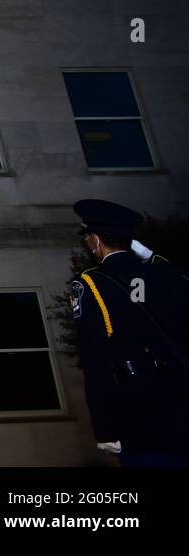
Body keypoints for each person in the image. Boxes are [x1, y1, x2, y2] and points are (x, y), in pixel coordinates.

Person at [70, 199, 189, 466]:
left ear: (95, 240)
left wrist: (105, 427)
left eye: (88, 237)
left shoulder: (92, 283)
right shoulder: (164, 273)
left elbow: (96, 358)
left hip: (140, 410)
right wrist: (145, 253)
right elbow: (174, 271)